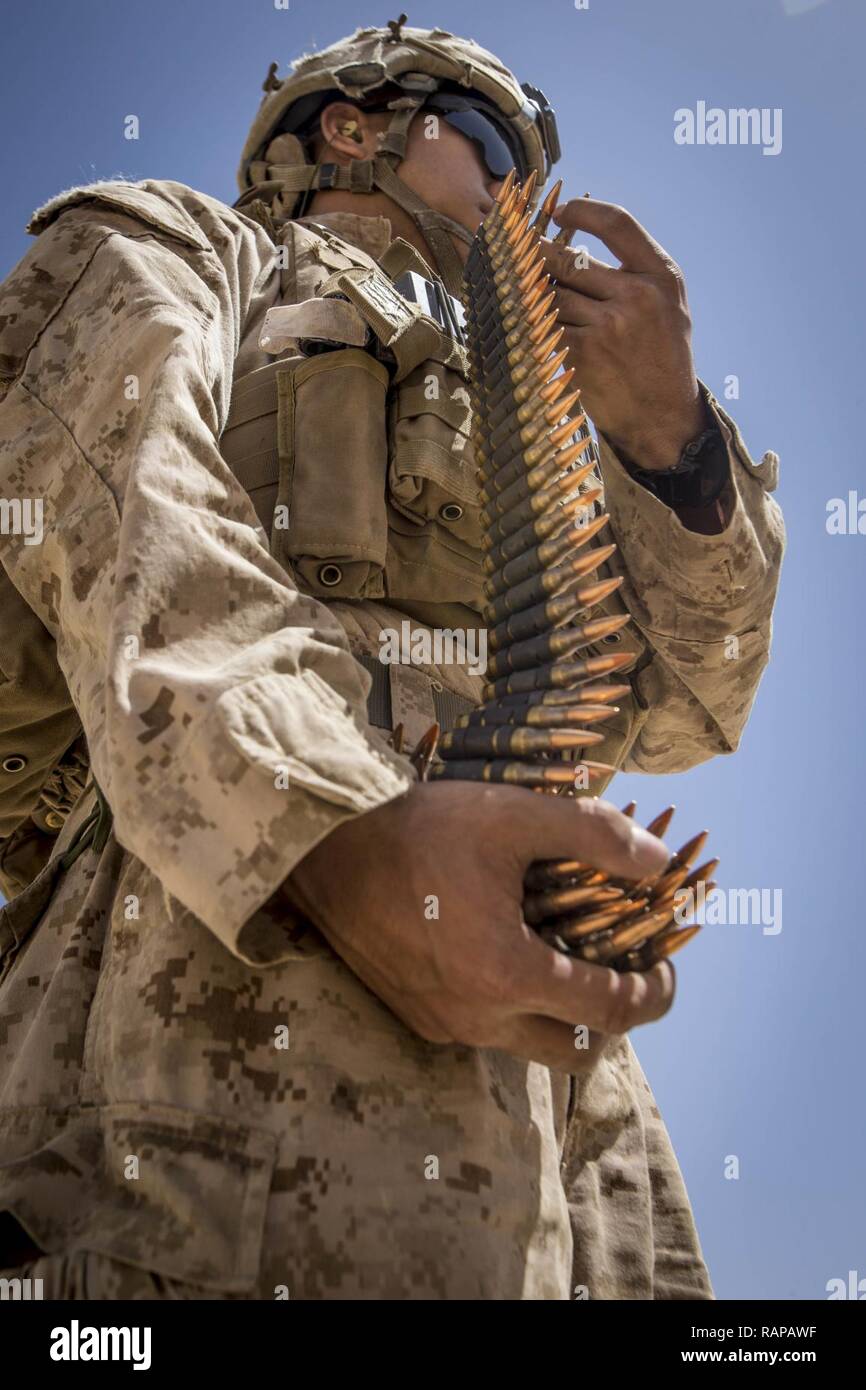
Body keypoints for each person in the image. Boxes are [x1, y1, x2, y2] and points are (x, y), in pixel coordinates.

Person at [0, 19, 784, 1299]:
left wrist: (666, 444)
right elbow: (114, 490)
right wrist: (330, 829)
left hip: (566, 1120)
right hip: (206, 988)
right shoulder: (200, 254)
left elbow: (688, 707)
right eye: (488, 150)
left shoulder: (537, 420)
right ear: (356, 130)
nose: (515, 197)